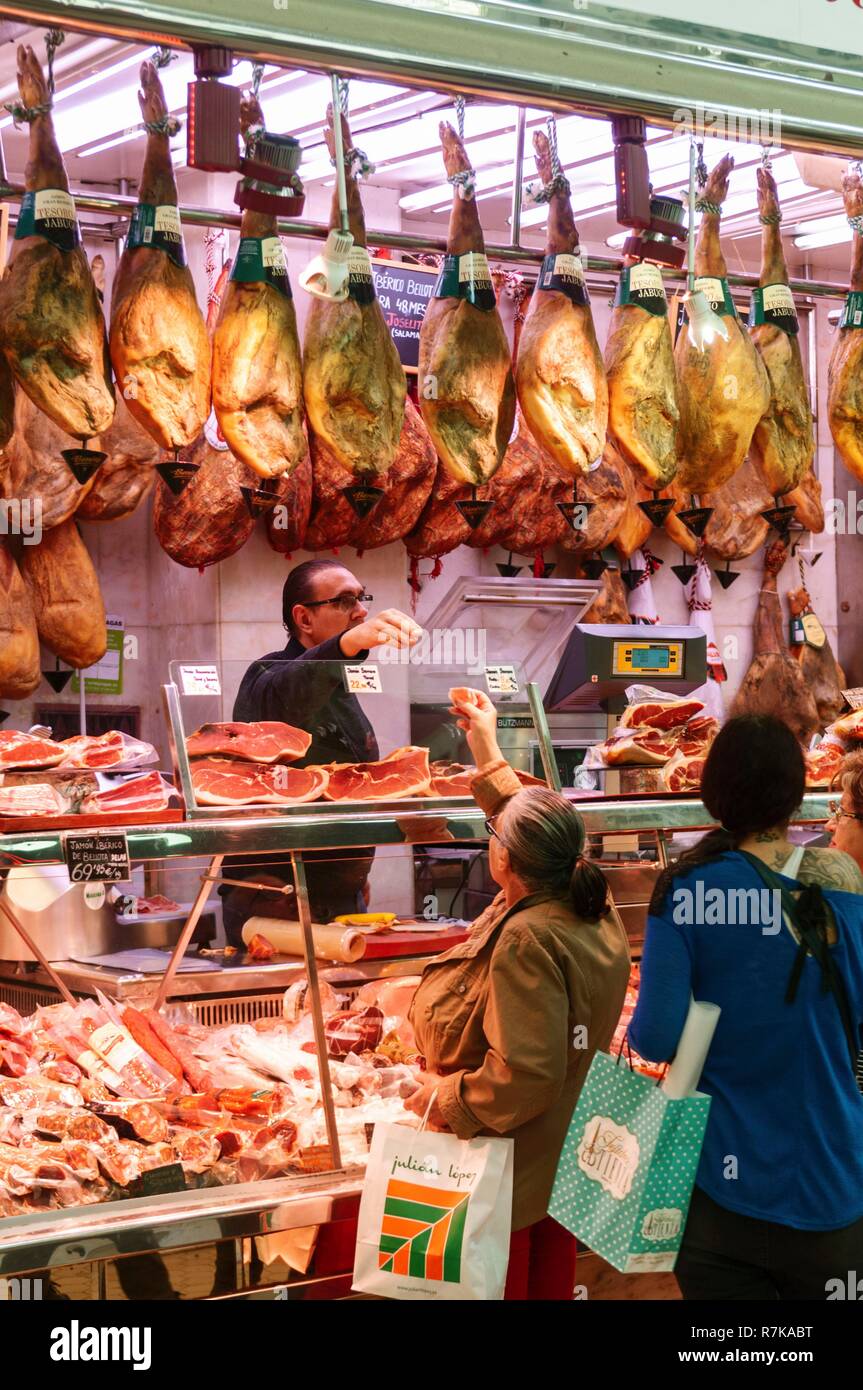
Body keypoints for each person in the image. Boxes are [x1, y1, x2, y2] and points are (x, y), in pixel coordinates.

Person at [403, 687, 630, 1301]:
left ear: (507, 859)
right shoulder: (588, 896)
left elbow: (525, 1074)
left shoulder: (529, 937)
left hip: (510, 1173)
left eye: (494, 836)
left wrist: (445, 1095)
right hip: (560, 1160)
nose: (489, 843)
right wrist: (486, 746)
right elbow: (537, 826)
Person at [629, 714, 863, 1301]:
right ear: (795, 794)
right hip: (833, 1184)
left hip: (719, 1194)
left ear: (715, 793)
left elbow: (653, 1038)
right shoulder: (846, 890)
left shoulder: (686, 890)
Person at [221, 560, 421, 944]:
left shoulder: (340, 685)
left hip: (337, 895)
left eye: (362, 599)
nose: (361, 612)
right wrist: (350, 643)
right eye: (345, 601)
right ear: (304, 618)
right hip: (273, 895)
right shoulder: (266, 675)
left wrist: (354, 875)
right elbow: (288, 692)